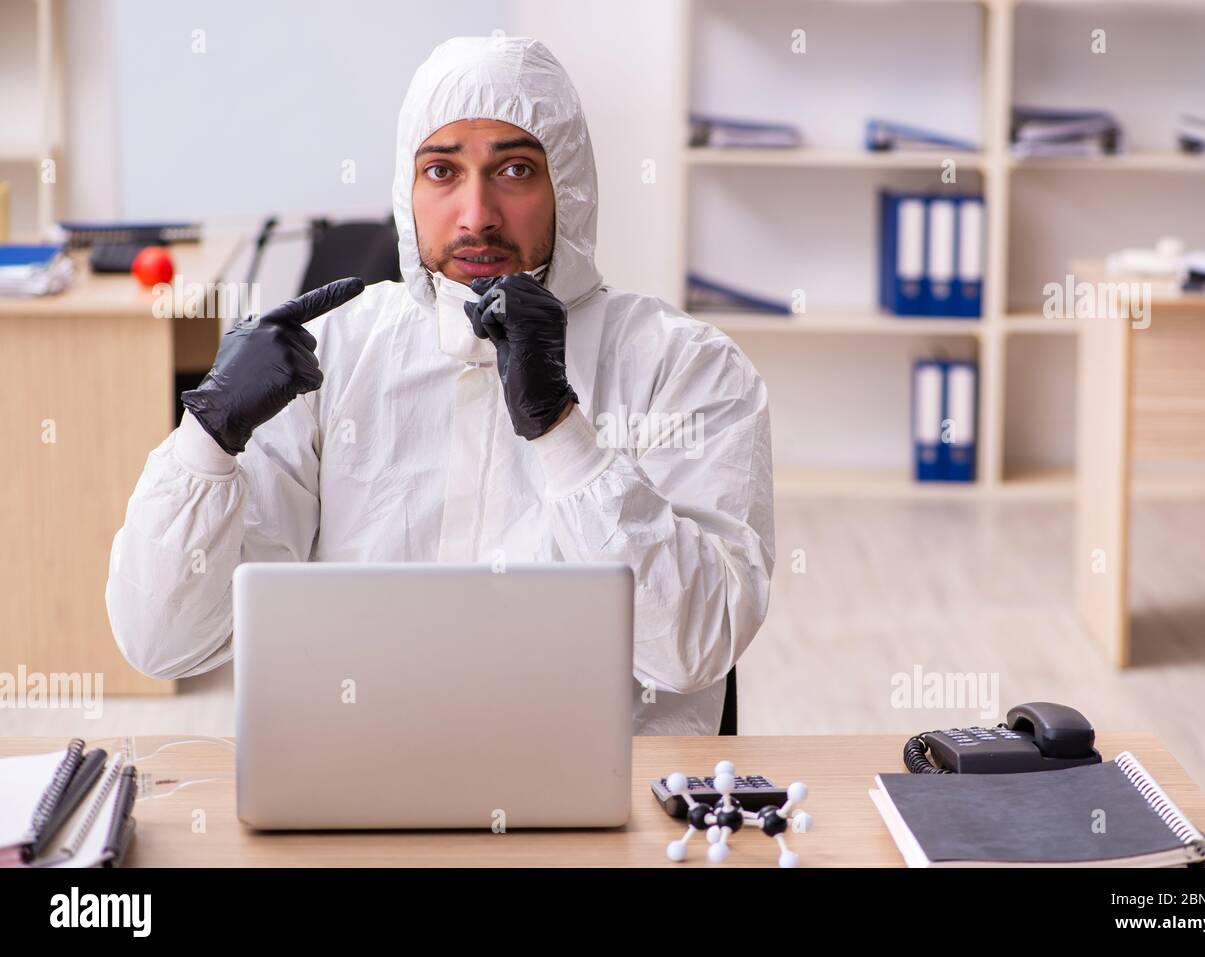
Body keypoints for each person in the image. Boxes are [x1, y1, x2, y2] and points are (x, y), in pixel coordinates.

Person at [105, 36, 774, 735]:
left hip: (613, 789)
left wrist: (561, 431)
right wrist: (206, 437)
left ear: (568, 187)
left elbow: (692, 647)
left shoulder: (686, 367)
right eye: (442, 170)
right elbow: (163, 645)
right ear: (409, 191)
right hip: (363, 770)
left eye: (515, 169)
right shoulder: (331, 353)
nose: (477, 214)